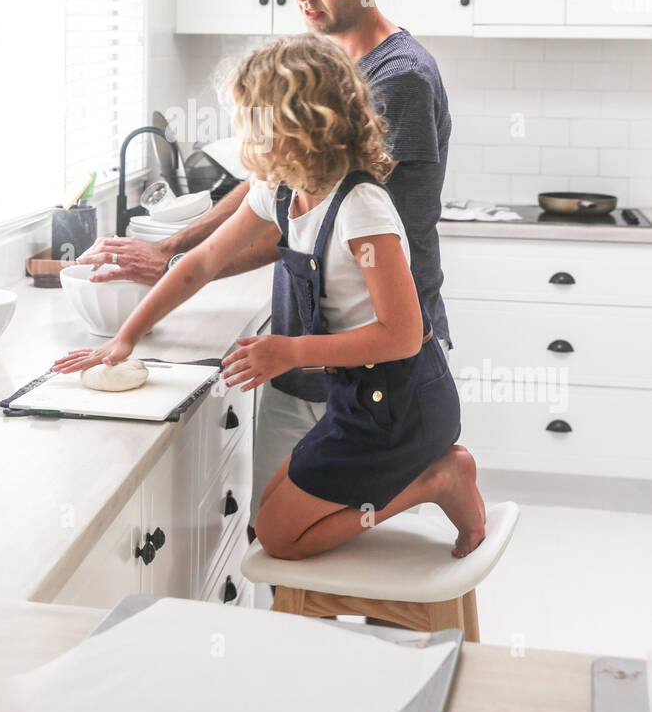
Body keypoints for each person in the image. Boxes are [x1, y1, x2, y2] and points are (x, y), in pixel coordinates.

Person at [78, 0, 453, 537]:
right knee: (281, 542)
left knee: (337, 561)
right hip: (302, 362)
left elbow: (322, 237)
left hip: (377, 374)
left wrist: (185, 265)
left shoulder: (398, 83)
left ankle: (434, 490)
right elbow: (270, 191)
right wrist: (168, 258)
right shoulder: (322, 59)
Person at [53, 34, 484, 560]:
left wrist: (289, 351)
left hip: (399, 401)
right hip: (357, 396)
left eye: (251, 121)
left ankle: (438, 482)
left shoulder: (361, 207)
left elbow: (401, 337)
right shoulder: (280, 190)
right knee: (268, 513)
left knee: (278, 538)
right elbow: (200, 264)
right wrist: (125, 338)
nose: (245, 136)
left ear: (298, 127)